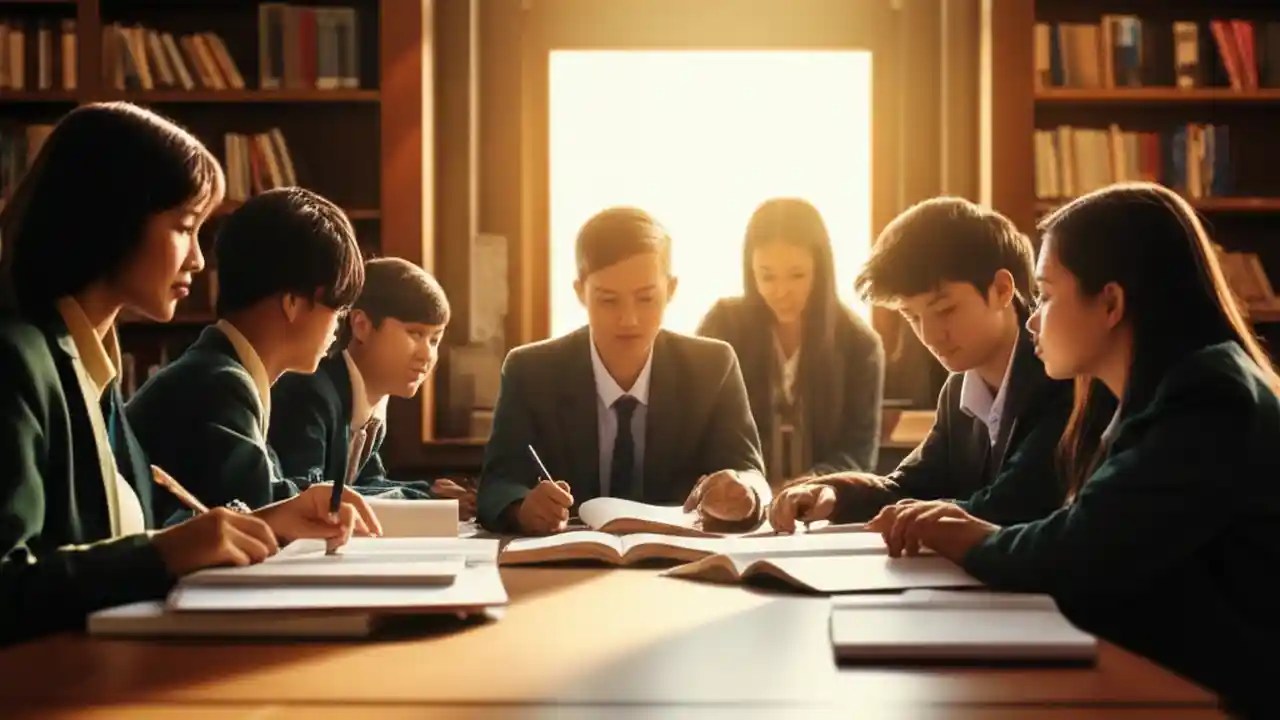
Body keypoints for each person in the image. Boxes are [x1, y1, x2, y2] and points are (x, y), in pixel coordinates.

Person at [870, 183, 1279, 713]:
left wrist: (963, 534)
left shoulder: (1208, 396)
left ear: (1109, 302)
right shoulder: (1153, 395)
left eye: (1044, 295)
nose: (1032, 319)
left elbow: (1081, 549)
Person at [0, 102, 378, 643]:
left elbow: (133, 533)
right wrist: (164, 554)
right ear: (113, 217)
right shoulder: (18, 360)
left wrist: (265, 521)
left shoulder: (93, 370)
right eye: (184, 227)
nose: (199, 260)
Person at [769, 197, 1078, 531]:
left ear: (1002, 290)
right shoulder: (959, 390)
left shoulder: (1062, 377)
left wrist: (915, 516)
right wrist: (833, 495)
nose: (929, 336)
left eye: (945, 310)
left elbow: (1013, 505)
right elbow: (909, 488)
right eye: (912, 316)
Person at [477, 207, 770, 534]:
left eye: (645, 299)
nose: (628, 319)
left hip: (684, 555)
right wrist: (522, 508)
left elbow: (749, 473)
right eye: (608, 300)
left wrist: (745, 494)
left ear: (671, 289)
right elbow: (498, 484)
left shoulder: (713, 367)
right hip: (568, 557)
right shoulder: (531, 372)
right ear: (580, 292)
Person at [127, 187, 369, 521]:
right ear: (293, 302)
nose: (337, 329)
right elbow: (257, 504)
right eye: (337, 310)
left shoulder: (219, 370)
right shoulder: (220, 385)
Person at [697, 198, 884, 488]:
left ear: (820, 270)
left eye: (797, 275)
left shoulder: (859, 345)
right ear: (750, 271)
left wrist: (808, 486)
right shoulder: (723, 327)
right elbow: (701, 431)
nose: (781, 291)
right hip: (737, 499)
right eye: (767, 276)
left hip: (820, 503)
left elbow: (858, 452)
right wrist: (743, 485)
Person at [270, 257, 477, 517]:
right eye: (415, 334)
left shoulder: (372, 401)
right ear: (361, 326)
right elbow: (307, 495)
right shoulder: (310, 392)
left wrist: (429, 492)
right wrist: (425, 500)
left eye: (434, 340)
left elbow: (367, 484)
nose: (427, 355)